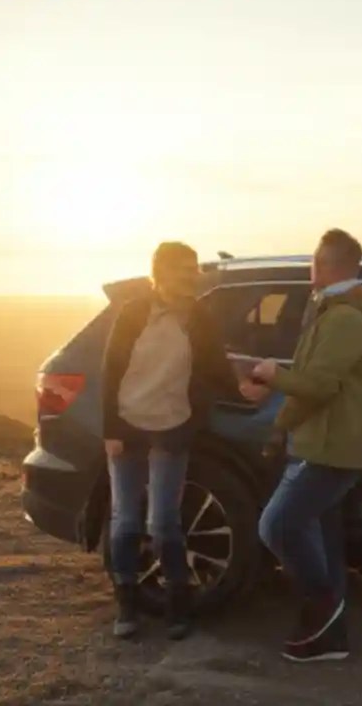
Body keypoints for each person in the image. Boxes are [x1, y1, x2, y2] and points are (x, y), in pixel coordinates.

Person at [242, 228, 362, 663]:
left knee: (277, 526)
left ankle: (322, 607)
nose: (311, 266)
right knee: (323, 539)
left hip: (329, 450)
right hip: (317, 442)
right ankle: (330, 639)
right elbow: (310, 388)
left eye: (315, 260)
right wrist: (280, 428)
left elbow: (317, 386)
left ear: (326, 265)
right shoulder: (331, 312)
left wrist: (271, 373)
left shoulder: (343, 319)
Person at [101, 241, 244, 640]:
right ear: (160, 273)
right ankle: (127, 604)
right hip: (128, 426)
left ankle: (177, 607)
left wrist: (244, 390)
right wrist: (110, 429)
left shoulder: (199, 318)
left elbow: (215, 367)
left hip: (172, 425)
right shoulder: (133, 313)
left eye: (194, 269)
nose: (192, 276)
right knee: (126, 521)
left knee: (163, 523)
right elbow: (111, 370)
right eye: (184, 269)